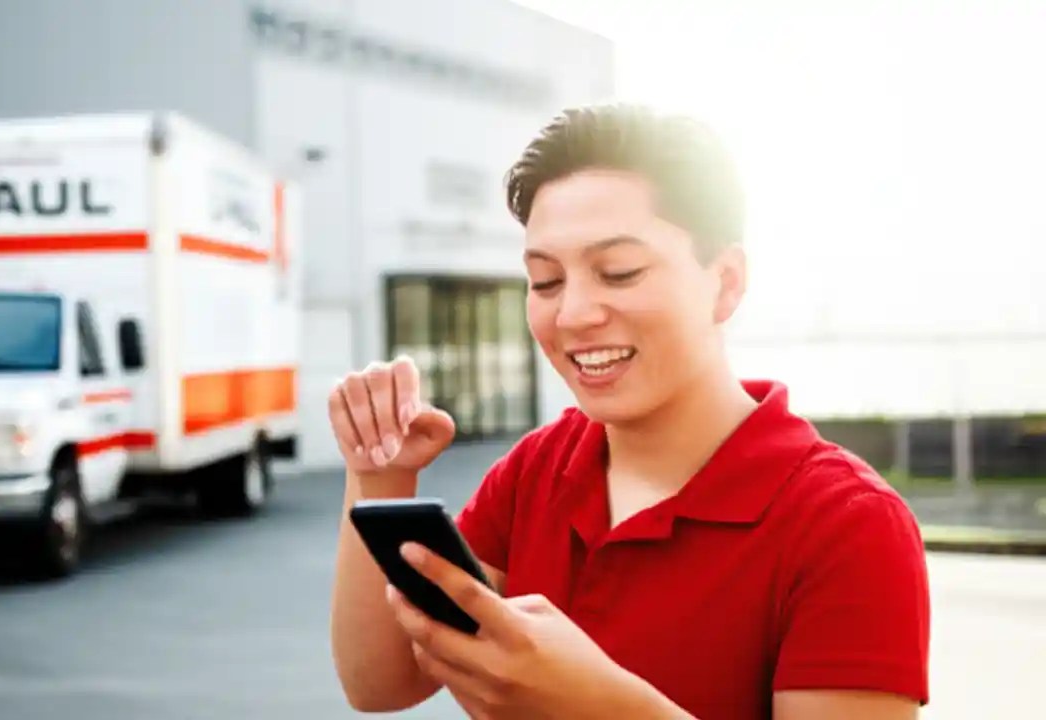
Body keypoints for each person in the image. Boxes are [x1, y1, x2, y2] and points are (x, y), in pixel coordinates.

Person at [328, 103, 930, 719]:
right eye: (545, 281)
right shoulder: (538, 469)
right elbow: (381, 686)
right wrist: (378, 475)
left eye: (619, 272)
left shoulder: (846, 525)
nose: (573, 315)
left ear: (724, 282)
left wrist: (602, 706)